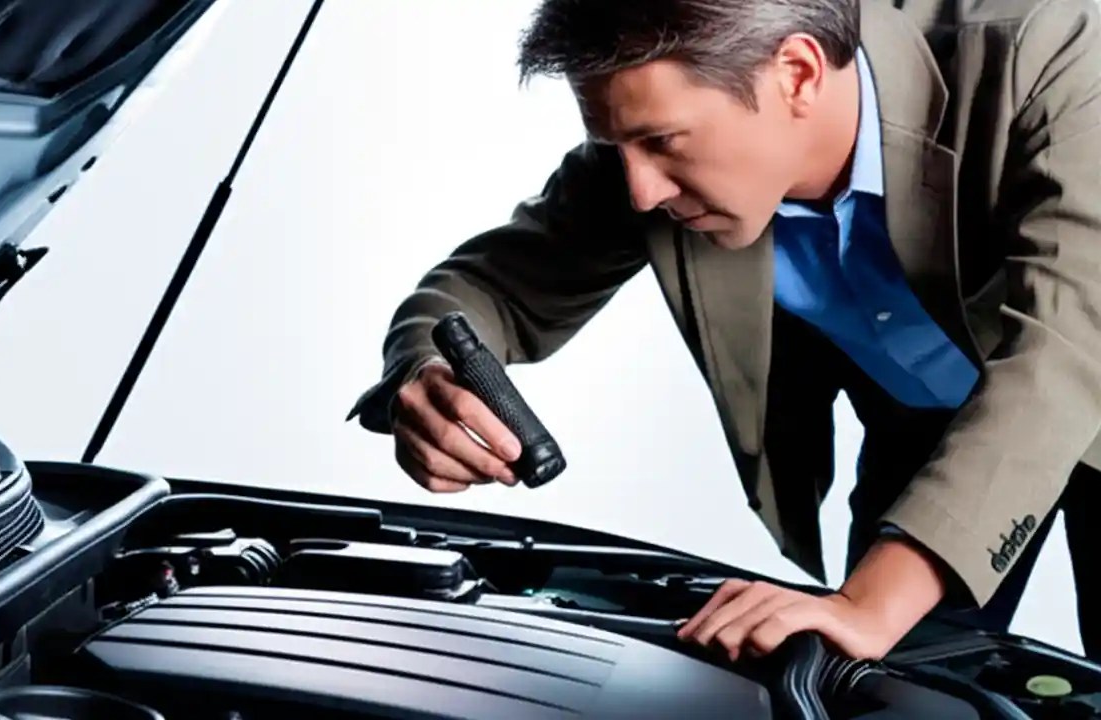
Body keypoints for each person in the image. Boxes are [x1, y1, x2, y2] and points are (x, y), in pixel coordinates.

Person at [346, 0, 1101, 663]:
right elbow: (478, 290)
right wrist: (423, 375)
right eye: (620, 149)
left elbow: (1064, 356)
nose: (641, 192)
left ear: (797, 74)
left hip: (1078, 382)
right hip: (931, 438)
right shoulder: (649, 155)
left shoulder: (1054, 55)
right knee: (881, 692)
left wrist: (870, 605)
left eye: (665, 143)